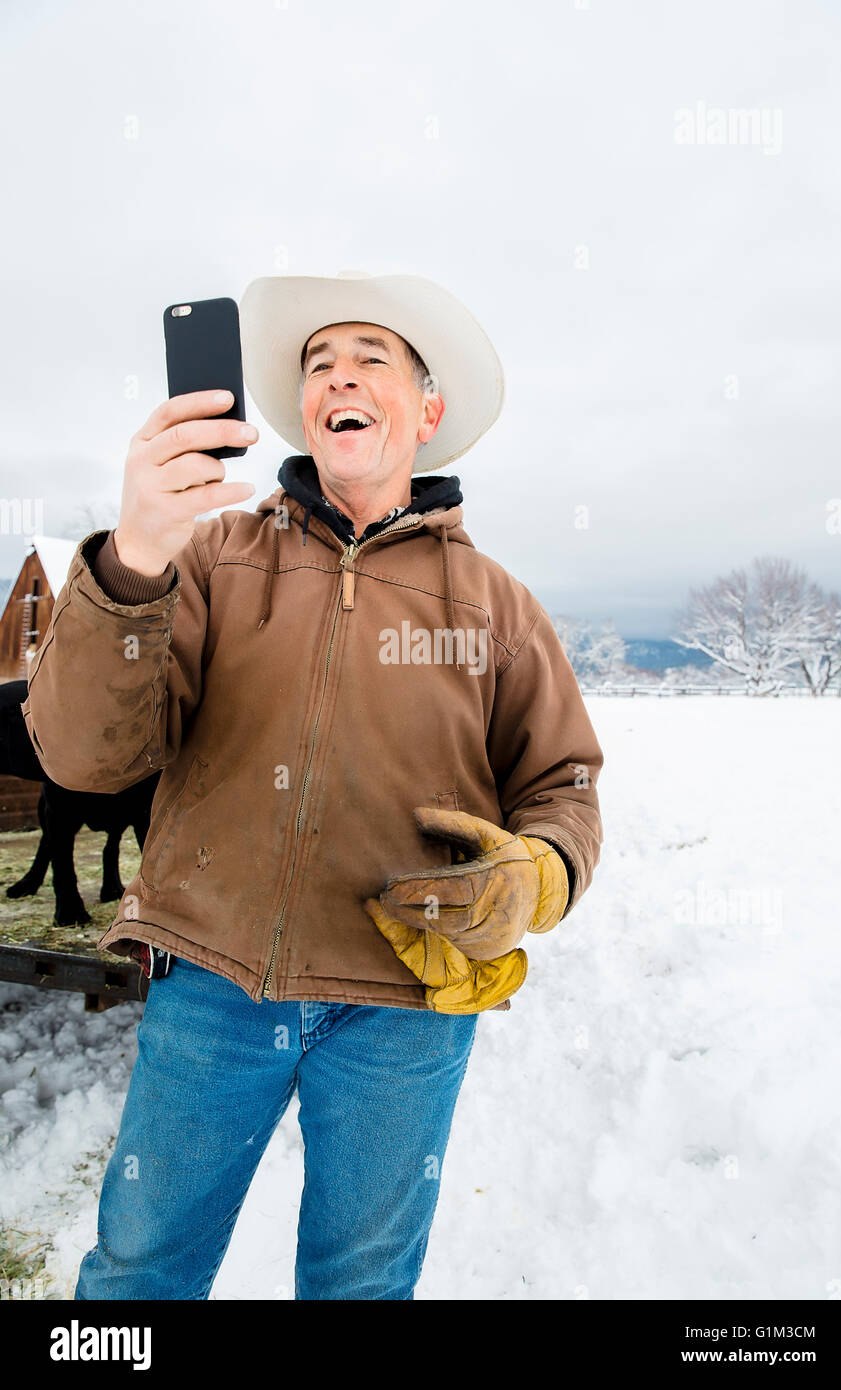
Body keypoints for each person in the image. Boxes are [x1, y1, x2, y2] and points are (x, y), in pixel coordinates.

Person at [22, 268, 604, 1300]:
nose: (338, 376)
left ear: (424, 409)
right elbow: (83, 756)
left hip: (404, 1003)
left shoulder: (497, 606)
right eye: (317, 364)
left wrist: (535, 877)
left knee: (361, 1285)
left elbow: (561, 781)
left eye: (369, 358)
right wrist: (133, 554)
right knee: (136, 1275)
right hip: (211, 980)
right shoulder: (207, 563)